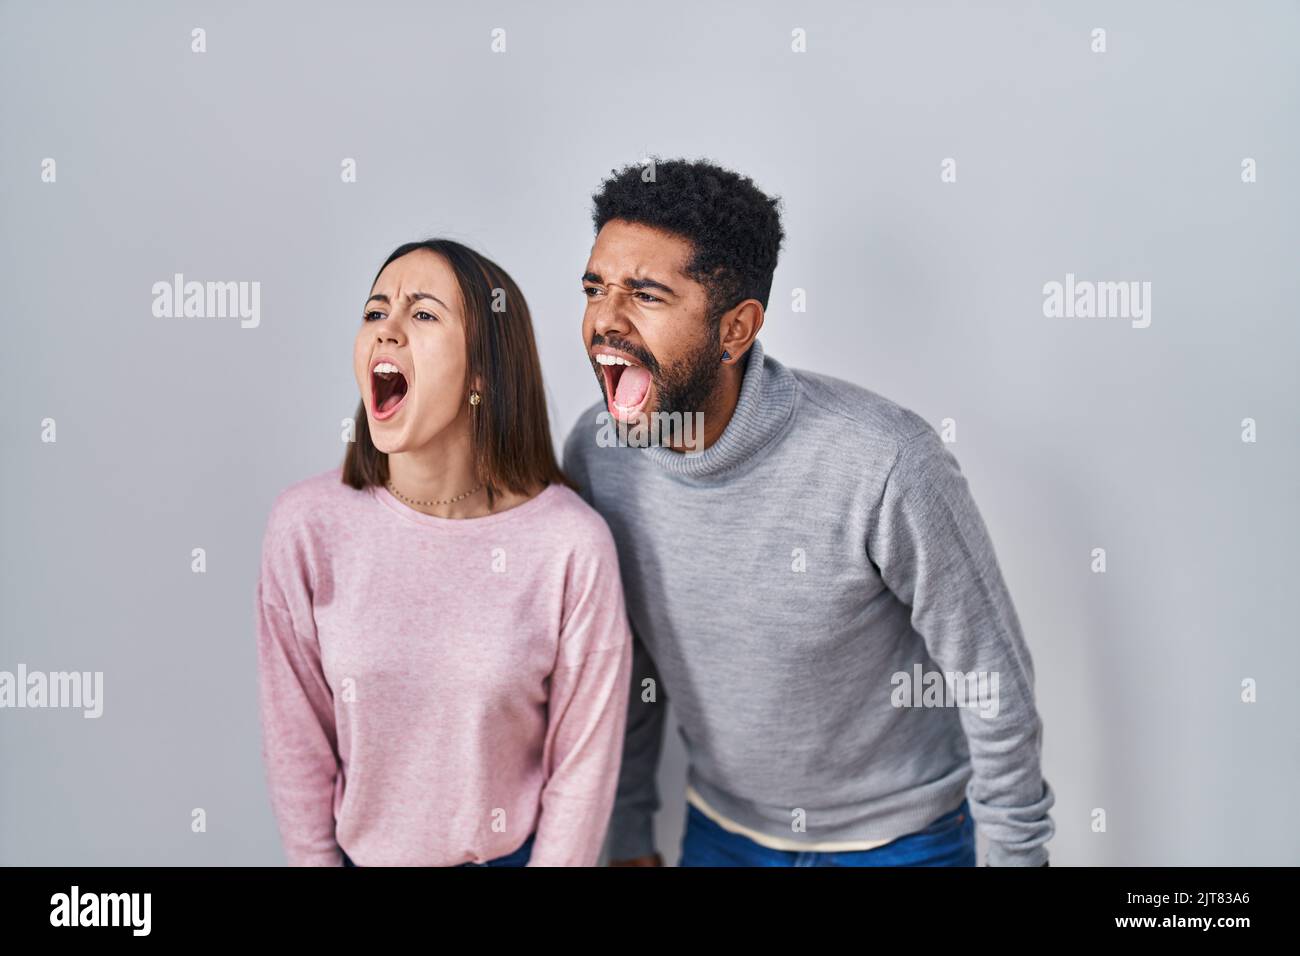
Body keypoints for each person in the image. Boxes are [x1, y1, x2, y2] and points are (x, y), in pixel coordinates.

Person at [563, 159, 1054, 867]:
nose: (605, 320)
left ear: (736, 330)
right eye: (595, 288)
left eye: (646, 295)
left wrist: (1017, 858)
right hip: (721, 836)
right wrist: (628, 831)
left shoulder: (886, 461)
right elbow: (622, 660)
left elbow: (990, 678)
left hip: (904, 844)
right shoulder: (597, 451)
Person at [256, 238, 633, 866]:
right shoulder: (306, 526)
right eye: (375, 313)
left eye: (423, 314)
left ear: (483, 373)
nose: (386, 332)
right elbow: (297, 746)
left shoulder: (571, 544)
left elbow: (582, 770)